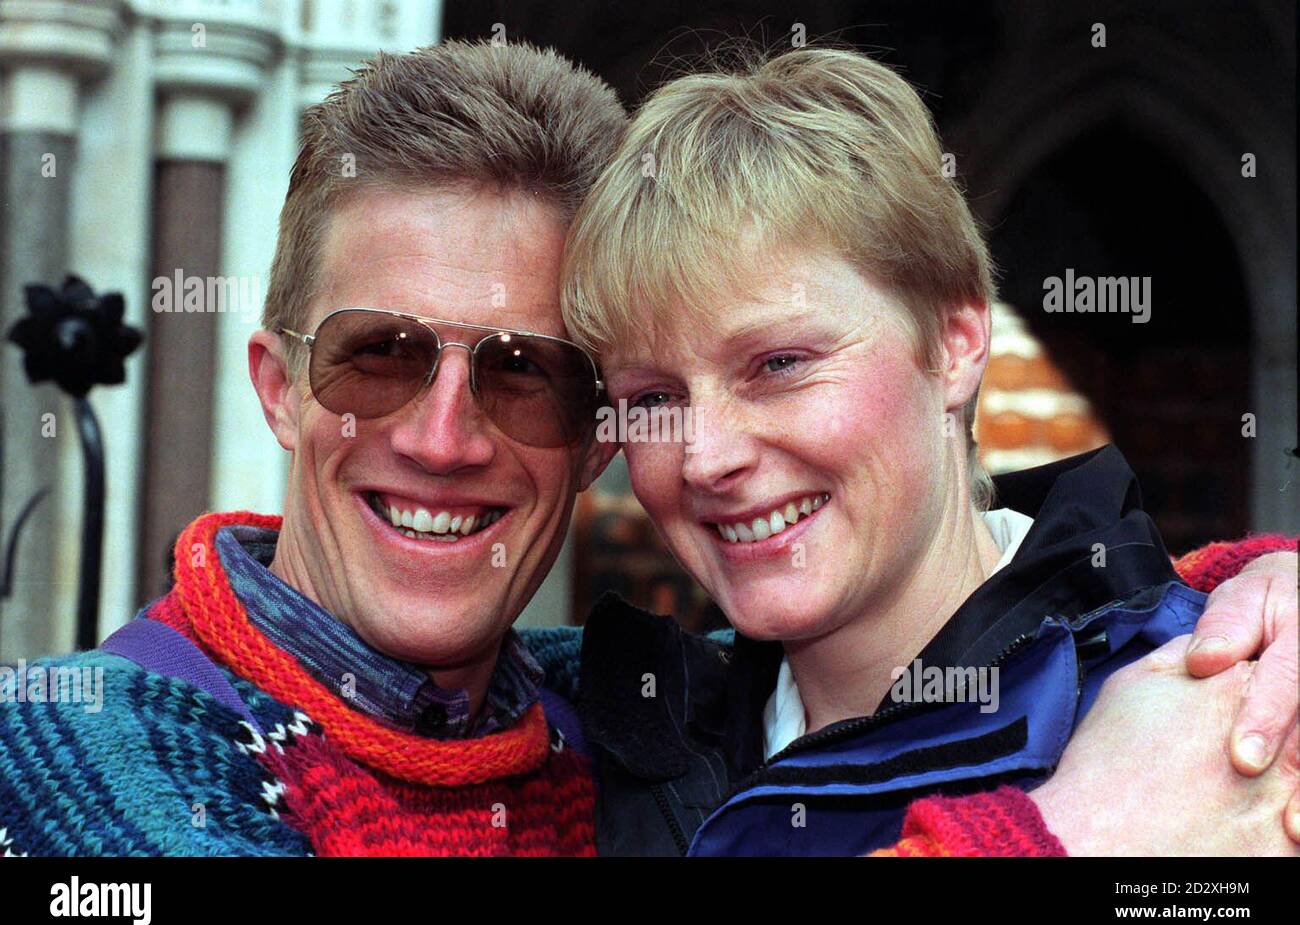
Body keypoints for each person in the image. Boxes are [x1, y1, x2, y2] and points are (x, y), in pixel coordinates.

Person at [0, 41, 1289, 857]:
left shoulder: (603, 714)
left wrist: (1241, 591)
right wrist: (1055, 838)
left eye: (527, 376)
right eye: (379, 356)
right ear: (279, 388)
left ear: (961, 343)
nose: (444, 437)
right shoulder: (81, 753)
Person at [558, 45, 1299, 855]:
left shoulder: (1232, 723)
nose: (705, 458)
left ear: (954, 342)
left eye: (778, 365)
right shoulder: (596, 741)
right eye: (655, 399)